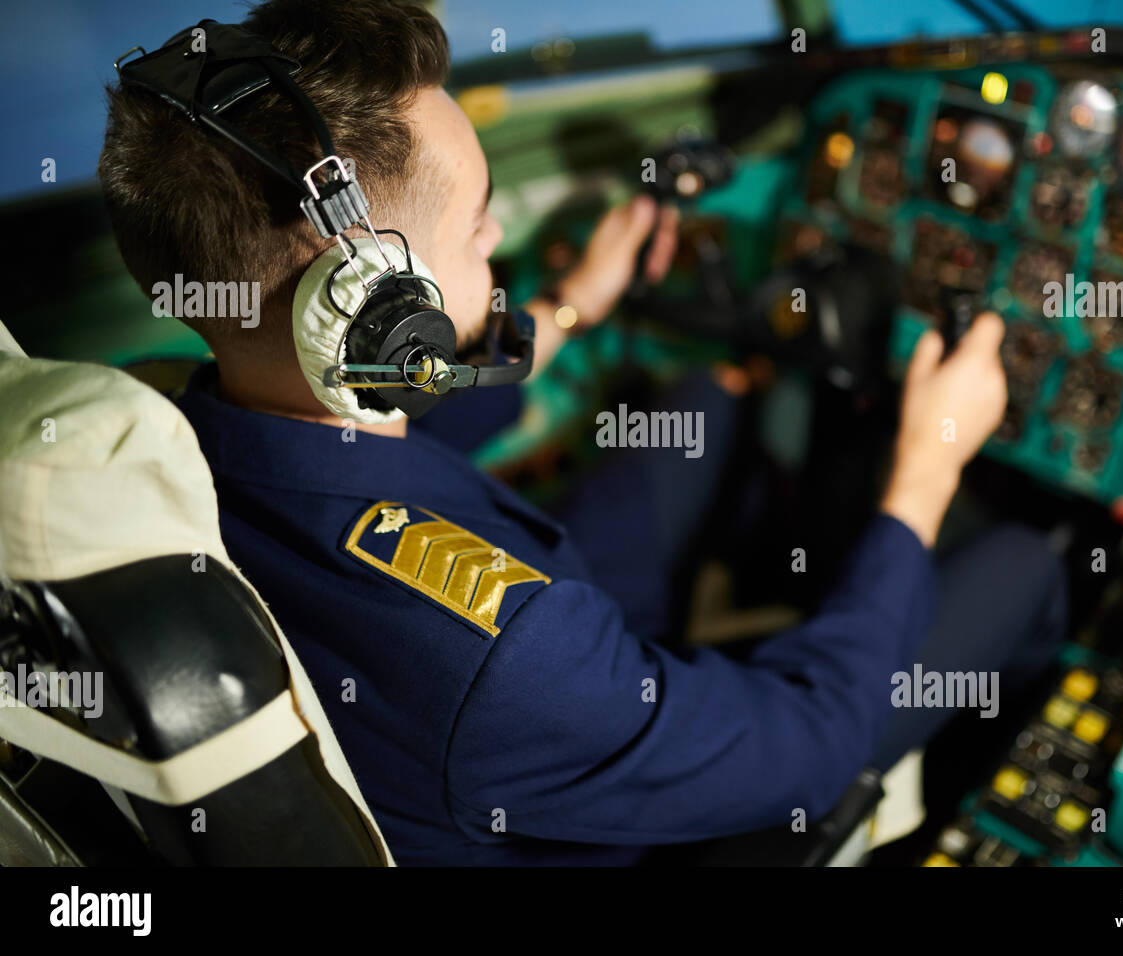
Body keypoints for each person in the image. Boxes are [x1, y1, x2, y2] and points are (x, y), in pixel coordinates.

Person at [98, 0, 1065, 865]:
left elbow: (374, 426)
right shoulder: (516, 660)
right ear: (378, 311)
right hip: (605, 795)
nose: (493, 241)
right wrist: (926, 467)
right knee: (1021, 562)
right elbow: (811, 744)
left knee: (703, 402)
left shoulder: (167, 422)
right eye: (476, 225)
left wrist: (572, 304)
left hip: (518, 669)